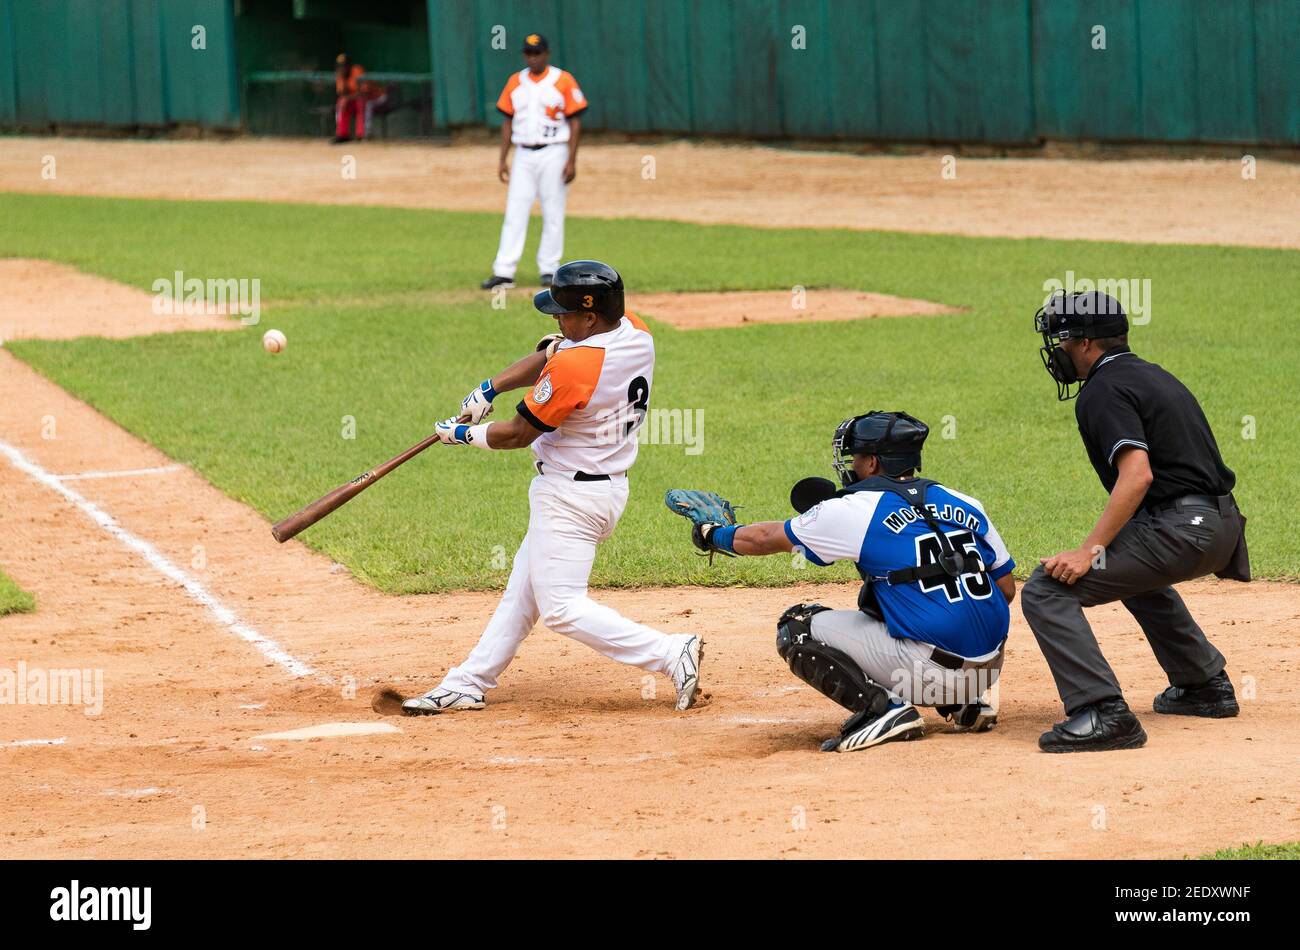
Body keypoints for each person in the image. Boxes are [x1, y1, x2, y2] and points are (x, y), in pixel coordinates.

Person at [403, 261, 703, 715]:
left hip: (571, 498)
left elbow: (516, 434)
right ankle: (470, 681)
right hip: (599, 489)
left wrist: (460, 435)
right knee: (522, 594)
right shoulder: (636, 333)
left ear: (590, 316)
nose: (557, 320)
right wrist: (490, 388)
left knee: (561, 607)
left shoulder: (578, 367)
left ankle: (669, 651)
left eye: (564, 313)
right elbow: (552, 352)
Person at [677, 412, 1016, 753]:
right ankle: (964, 703)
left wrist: (713, 535)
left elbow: (765, 537)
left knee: (797, 627)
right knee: (889, 599)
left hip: (929, 673)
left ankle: (883, 711)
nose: (851, 464)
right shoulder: (965, 502)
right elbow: (1006, 591)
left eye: (855, 456)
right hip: (987, 673)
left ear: (872, 462)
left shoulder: (857, 509)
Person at [1021, 290, 1249, 753]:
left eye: (1060, 342)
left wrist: (1088, 552)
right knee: (1136, 576)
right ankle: (1202, 684)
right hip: (1222, 527)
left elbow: (1137, 474)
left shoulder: (1102, 391)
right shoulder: (1153, 375)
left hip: (1183, 530)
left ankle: (1103, 713)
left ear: (1084, 344)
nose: (1055, 353)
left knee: (1046, 590)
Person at [479, 33, 587, 291]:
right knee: (515, 209)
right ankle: (504, 271)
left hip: (554, 151)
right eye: (528, 53)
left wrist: (572, 160)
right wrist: (503, 158)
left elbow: (575, 121)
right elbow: (507, 121)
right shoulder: (516, 81)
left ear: (546, 54)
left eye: (537, 53)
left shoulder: (562, 80)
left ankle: (550, 269)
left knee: (552, 210)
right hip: (523, 153)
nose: (533, 57)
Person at [332, 53, 375, 144]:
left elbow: (365, 93)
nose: (342, 68)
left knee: (361, 102)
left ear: (349, 66)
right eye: (340, 66)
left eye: (344, 65)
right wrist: (345, 97)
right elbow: (341, 93)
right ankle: (342, 135)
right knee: (341, 102)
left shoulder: (357, 71)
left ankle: (362, 135)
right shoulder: (340, 75)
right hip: (353, 101)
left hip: (372, 98)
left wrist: (347, 98)